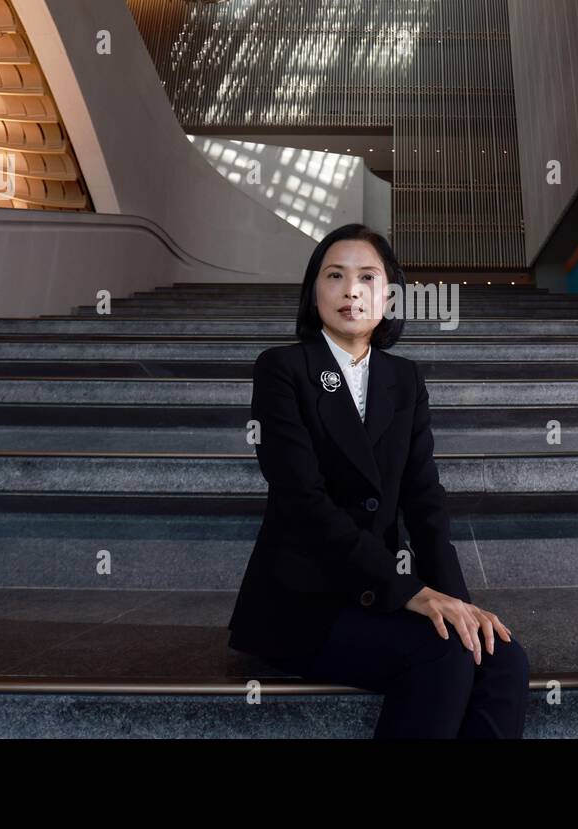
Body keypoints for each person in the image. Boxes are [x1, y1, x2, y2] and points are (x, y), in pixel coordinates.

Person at [227, 223, 530, 738]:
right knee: (442, 656)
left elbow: (424, 500)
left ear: (387, 295)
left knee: (501, 659)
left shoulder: (404, 378)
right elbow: (303, 502)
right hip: (301, 603)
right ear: (313, 291)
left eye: (367, 277)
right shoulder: (283, 369)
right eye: (335, 276)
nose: (351, 290)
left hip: (378, 595)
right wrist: (409, 592)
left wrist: (457, 602)